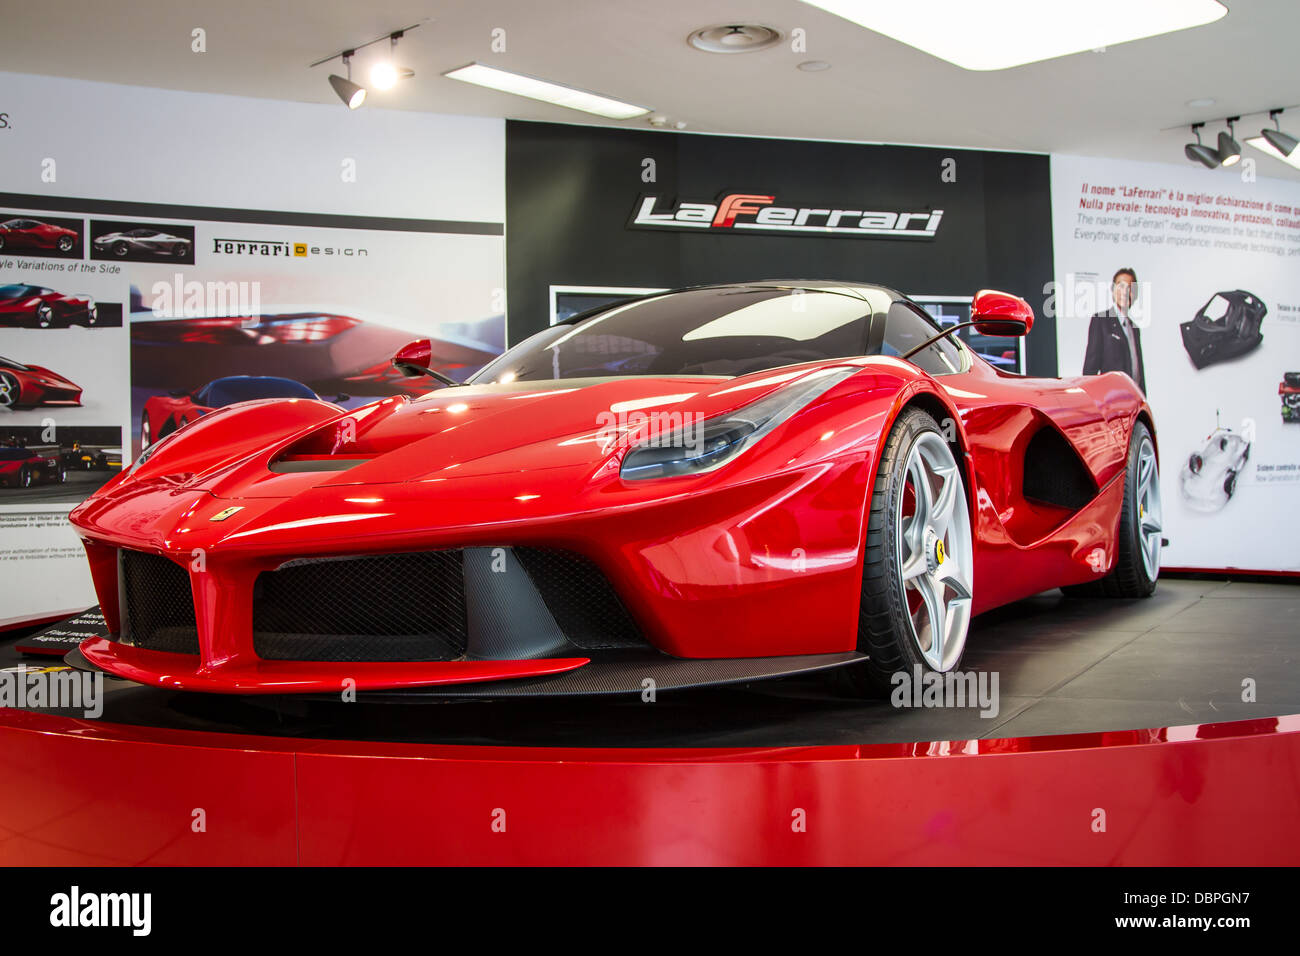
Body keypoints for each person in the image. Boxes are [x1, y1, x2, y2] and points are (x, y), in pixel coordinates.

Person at [1083, 267, 1146, 393]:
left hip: (1135, 400)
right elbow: (1090, 370)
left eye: (1130, 288)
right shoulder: (1100, 321)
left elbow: (1139, 372)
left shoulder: (1135, 328)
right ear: (1112, 290)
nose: (1125, 292)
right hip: (1111, 400)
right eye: (1120, 286)